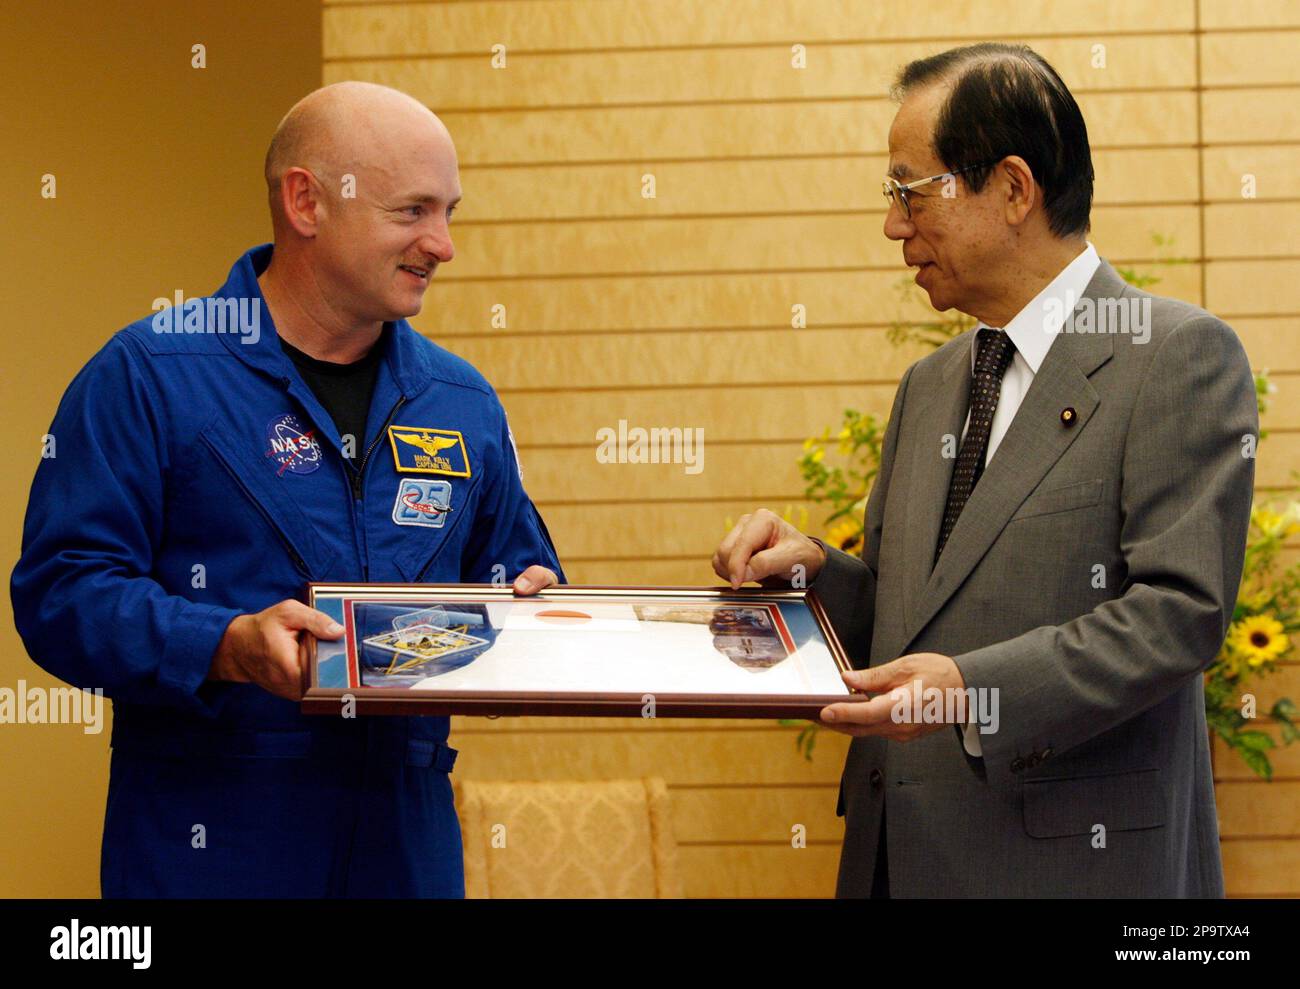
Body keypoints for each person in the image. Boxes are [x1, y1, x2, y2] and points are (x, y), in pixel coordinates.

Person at [712, 43, 1256, 897]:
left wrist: (972, 688)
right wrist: (813, 574)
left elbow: (1179, 615)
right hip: (896, 858)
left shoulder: (1175, 357)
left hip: (1072, 867)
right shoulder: (929, 385)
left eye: (910, 191)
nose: (894, 225)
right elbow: (906, 613)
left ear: (1011, 189)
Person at [11, 82, 562, 897]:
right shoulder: (150, 377)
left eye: (449, 211)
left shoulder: (462, 401)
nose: (443, 244)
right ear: (307, 202)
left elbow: (516, 570)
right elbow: (61, 595)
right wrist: (223, 642)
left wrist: (530, 606)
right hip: (209, 853)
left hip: (405, 853)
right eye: (413, 211)